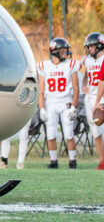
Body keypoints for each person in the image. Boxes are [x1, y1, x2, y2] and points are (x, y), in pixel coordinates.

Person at [37, 36, 80, 169]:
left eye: (65, 50)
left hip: (66, 102)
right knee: (51, 134)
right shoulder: (44, 66)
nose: (65, 52)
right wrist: (41, 108)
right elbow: (41, 90)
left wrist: (74, 106)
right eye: (62, 50)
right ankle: (53, 161)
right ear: (54, 51)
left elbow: (76, 87)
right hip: (50, 103)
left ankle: (72, 161)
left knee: (69, 133)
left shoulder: (71, 64)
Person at [83, 32, 104, 169]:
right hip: (90, 98)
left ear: (99, 45)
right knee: (95, 131)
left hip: (101, 98)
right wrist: (84, 85)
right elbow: (86, 75)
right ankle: (102, 162)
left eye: (91, 46)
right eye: (88, 47)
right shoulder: (87, 60)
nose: (90, 49)